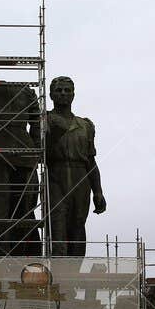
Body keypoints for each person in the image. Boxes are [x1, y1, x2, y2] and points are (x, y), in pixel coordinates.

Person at [44, 76, 105, 256]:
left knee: (78, 226)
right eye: (59, 90)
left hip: (81, 178)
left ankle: (74, 273)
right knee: (57, 225)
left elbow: (91, 161)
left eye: (67, 90)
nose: (63, 94)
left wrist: (98, 191)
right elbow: (37, 154)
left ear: (73, 95)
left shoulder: (85, 125)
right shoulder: (44, 120)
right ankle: (59, 271)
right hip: (56, 175)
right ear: (51, 95)